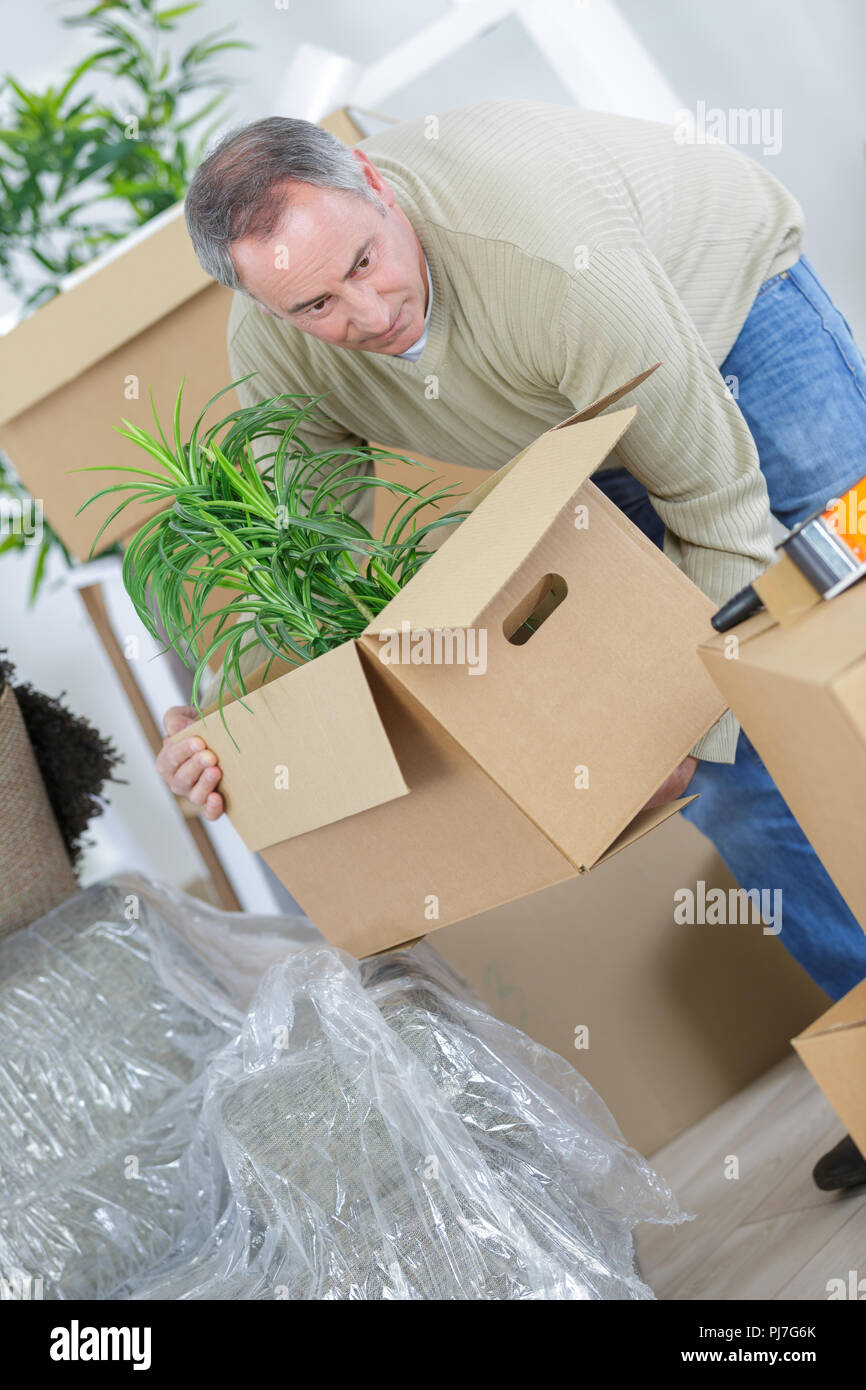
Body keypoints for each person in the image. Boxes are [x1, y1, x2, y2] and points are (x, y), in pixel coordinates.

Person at [156, 99, 866, 1190]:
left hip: (730, 327)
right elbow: (300, 571)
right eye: (315, 302)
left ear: (376, 185)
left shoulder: (538, 249)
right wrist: (223, 722)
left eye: (364, 259)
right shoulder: (281, 345)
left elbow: (718, 507)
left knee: (827, 672)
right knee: (737, 784)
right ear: (259, 303)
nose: (368, 309)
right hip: (582, 417)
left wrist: (693, 712)